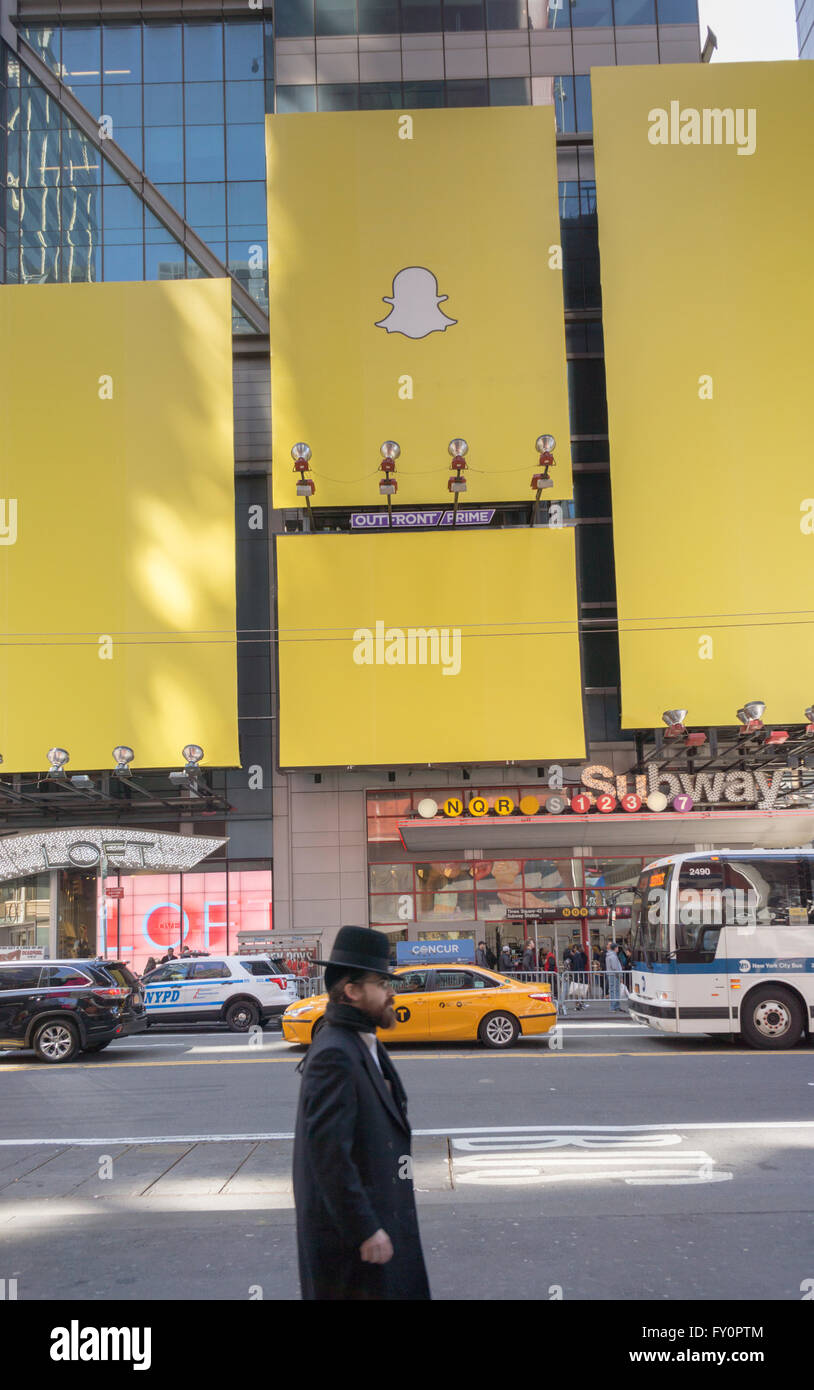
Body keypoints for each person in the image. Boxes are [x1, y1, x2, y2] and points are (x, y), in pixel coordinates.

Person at [293, 925, 431, 1302]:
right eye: (382, 983)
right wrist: (365, 1229)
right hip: (352, 1255)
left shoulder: (359, 1040)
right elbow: (328, 1154)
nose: (392, 992)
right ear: (352, 991)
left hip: (378, 1230)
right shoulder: (335, 1053)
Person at [606, 941, 624, 1012]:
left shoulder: (609, 955)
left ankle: (616, 1006)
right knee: (614, 991)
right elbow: (615, 967)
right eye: (617, 947)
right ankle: (614, 1007)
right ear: (615, 948)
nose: (618, 948)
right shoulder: (613, 956)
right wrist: (620, 976)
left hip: (611, 975)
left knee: (614, 990)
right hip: (614, 975)